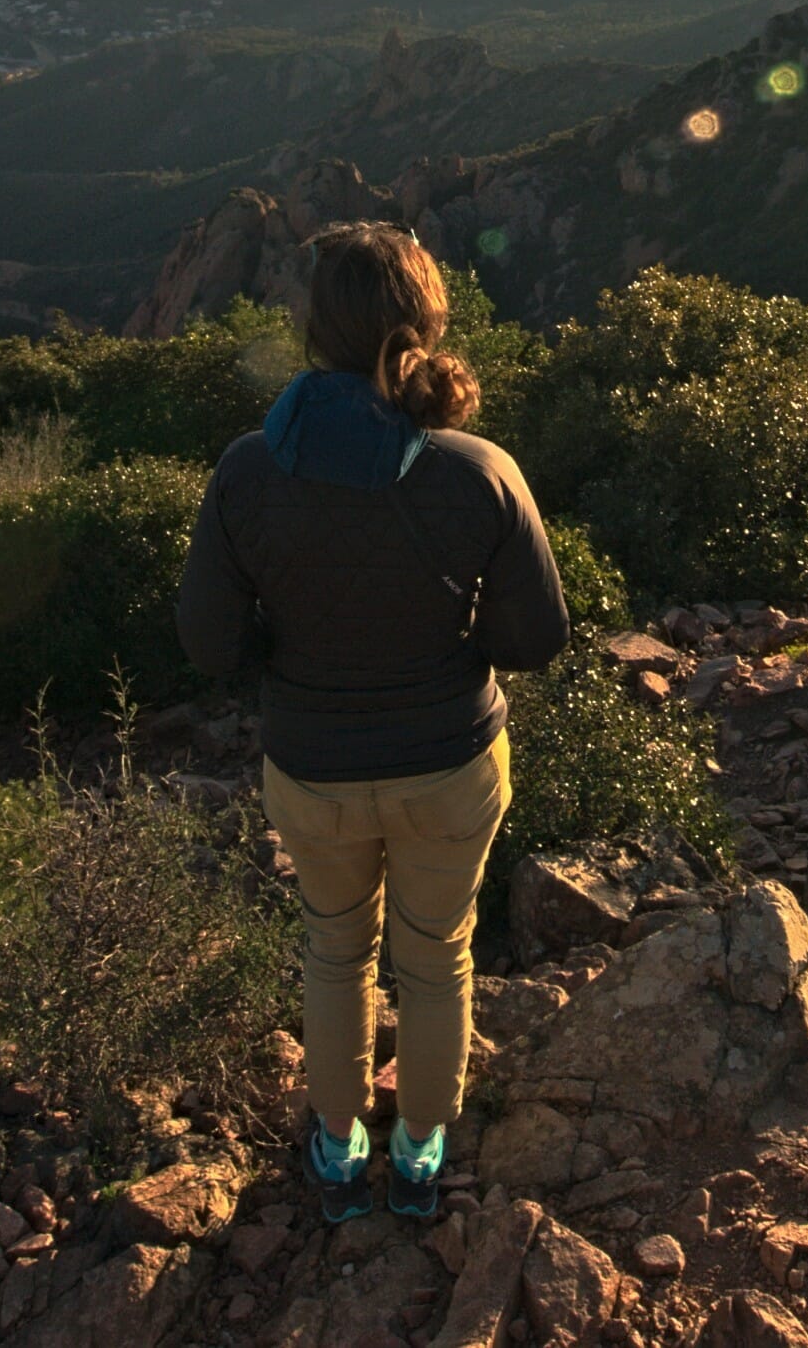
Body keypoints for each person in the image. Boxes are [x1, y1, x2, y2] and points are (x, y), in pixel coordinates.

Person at [175, 222, 568, 1221]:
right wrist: (450, 642)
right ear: (425, 326)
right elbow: (537, 637)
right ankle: (424, 1153)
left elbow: (211, 645)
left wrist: (295, 657)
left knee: (335, 952)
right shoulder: (478, 469)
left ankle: (341, 1149)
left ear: (315, 331)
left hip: (311, 768)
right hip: (449, 763)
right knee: (436, 955)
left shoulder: (246, 472)